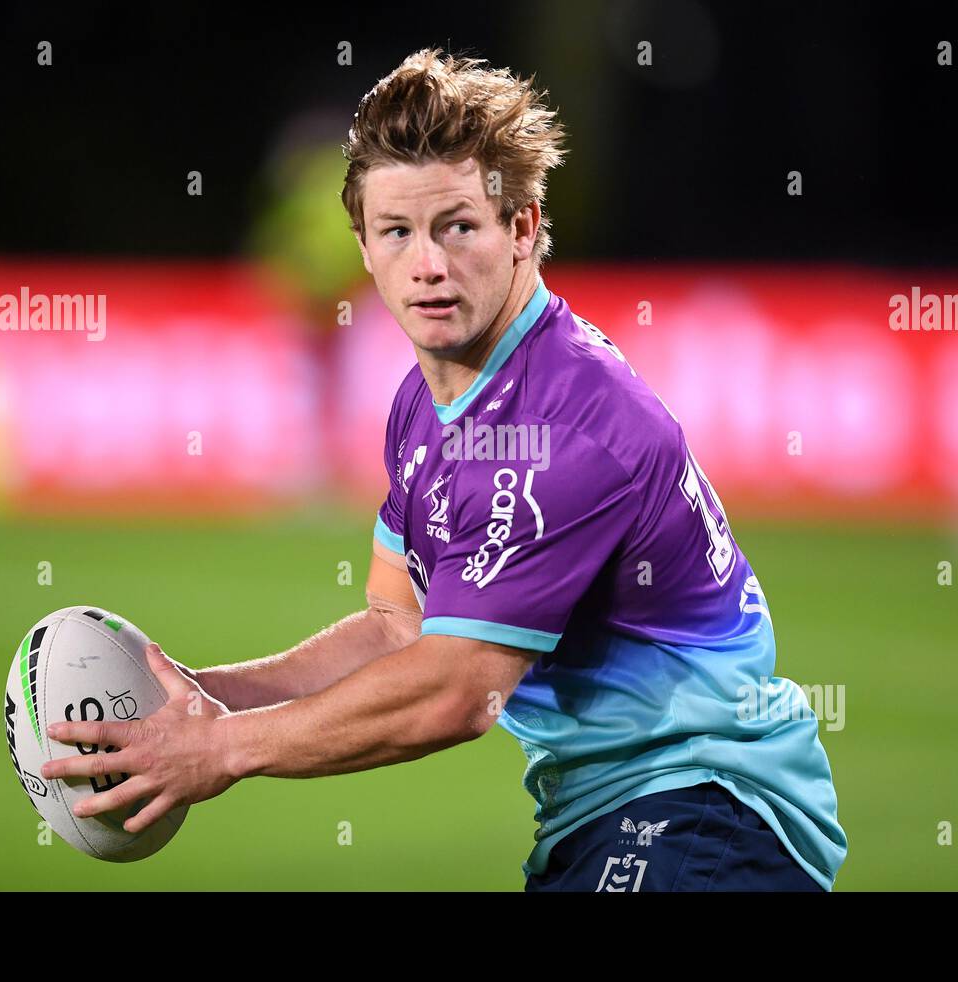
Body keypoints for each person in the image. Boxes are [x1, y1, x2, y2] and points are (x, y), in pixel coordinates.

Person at [43, 47, 847, 892]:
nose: (428, 263)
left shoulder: (565, 422)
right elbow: (400, 626)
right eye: (397, 232)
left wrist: (222, 751)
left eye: (458, 225)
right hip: (606, 814)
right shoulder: (424, 404)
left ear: (524, 228)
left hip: (707, 807)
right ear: (362, 242)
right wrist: (203, 702)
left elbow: (458, 690)